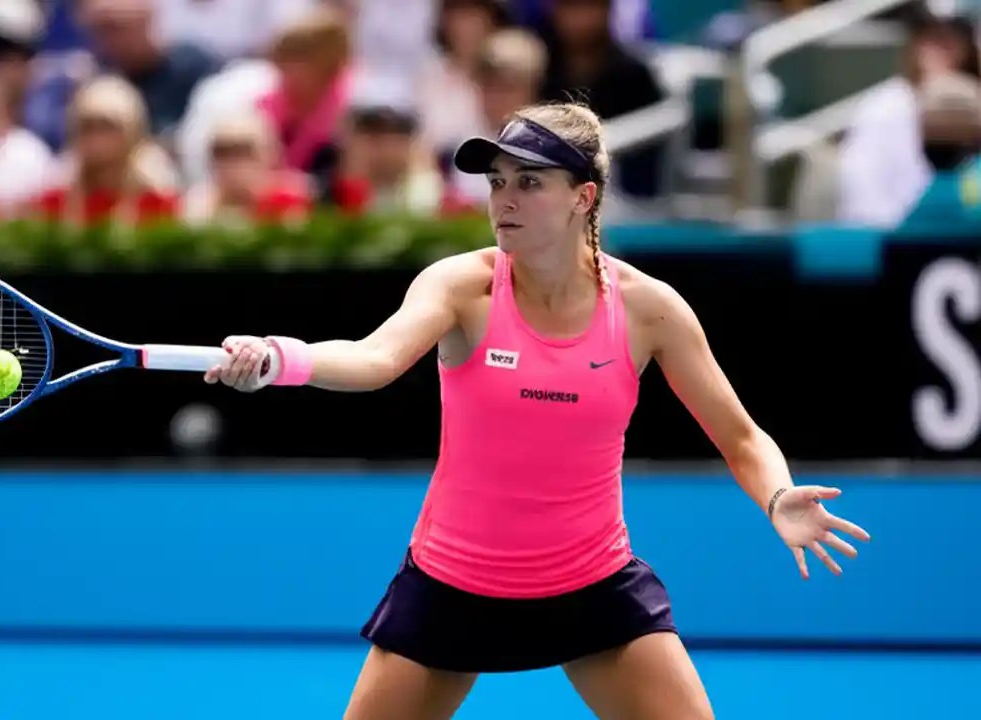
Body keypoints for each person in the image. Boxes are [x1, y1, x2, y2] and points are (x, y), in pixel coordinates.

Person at [203, 100, 872, 720]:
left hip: (592, 587)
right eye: (497, 182)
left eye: (529, 182)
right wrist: (281, 359)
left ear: (584, 197)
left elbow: (743, 439)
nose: (504, 200)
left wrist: (777, 496)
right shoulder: (461, 286)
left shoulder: (649, 309)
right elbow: (376, 359)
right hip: (453, 586)